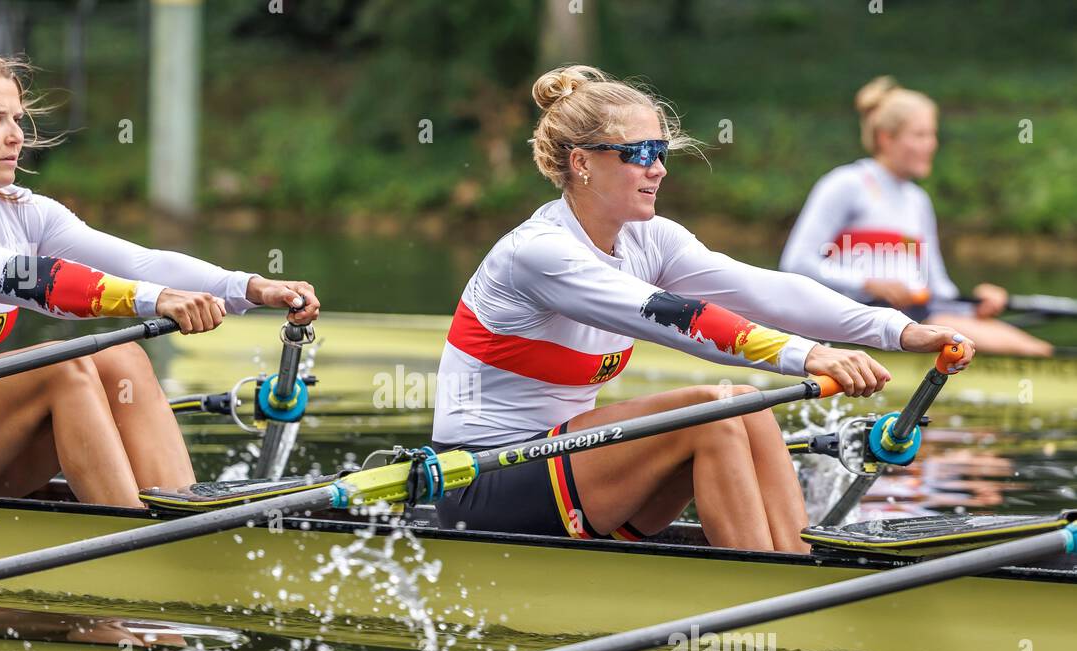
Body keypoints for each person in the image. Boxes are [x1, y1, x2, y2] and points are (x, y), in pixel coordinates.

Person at [431, 65, 973, 554]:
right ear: (582, 164)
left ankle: (795, 561)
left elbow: (769, 290)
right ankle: (764, 584)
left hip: (570, 466)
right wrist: (809, 357)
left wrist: (898, 330)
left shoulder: (652, 241)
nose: (660, 169)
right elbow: (668, 315)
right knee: (711, 416)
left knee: (745, 404)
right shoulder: (538, 253)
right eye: (640, 154)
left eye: (662, 152)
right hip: (481, 480)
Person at [0, 48, 320, 508]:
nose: (16, 136)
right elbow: (25, 280)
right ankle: (136, 541)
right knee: (62, 368)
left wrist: (250, 287)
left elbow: (138, 263)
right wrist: (155, 301)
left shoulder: (27, 214)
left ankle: (178, 509)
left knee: (121, 358)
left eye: (16, 118)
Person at [780, 76, 1051, 357]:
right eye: (920, 135)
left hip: (913, 320)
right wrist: (868, 283)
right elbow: (796, 262)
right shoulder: (846, 184)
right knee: (1025, 350)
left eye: (932, 135)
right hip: (853, 322)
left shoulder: (918, 201)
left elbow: (937, 290)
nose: (931, 145)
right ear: (887, 138)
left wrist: (975, 305)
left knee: (1038, 349)